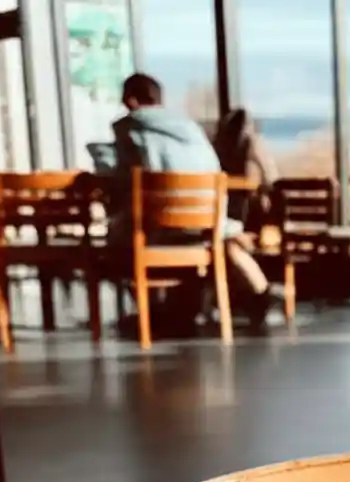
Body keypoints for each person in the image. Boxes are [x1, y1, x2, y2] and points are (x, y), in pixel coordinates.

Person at [112, 74, 270, 330]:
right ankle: (257, 295)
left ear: (130, 101)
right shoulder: (191, 130)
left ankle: (153, 311)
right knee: (223, 241)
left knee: (121, 236)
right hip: (206, 220)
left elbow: (122, 181)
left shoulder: (129, 129)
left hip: (160, 227)